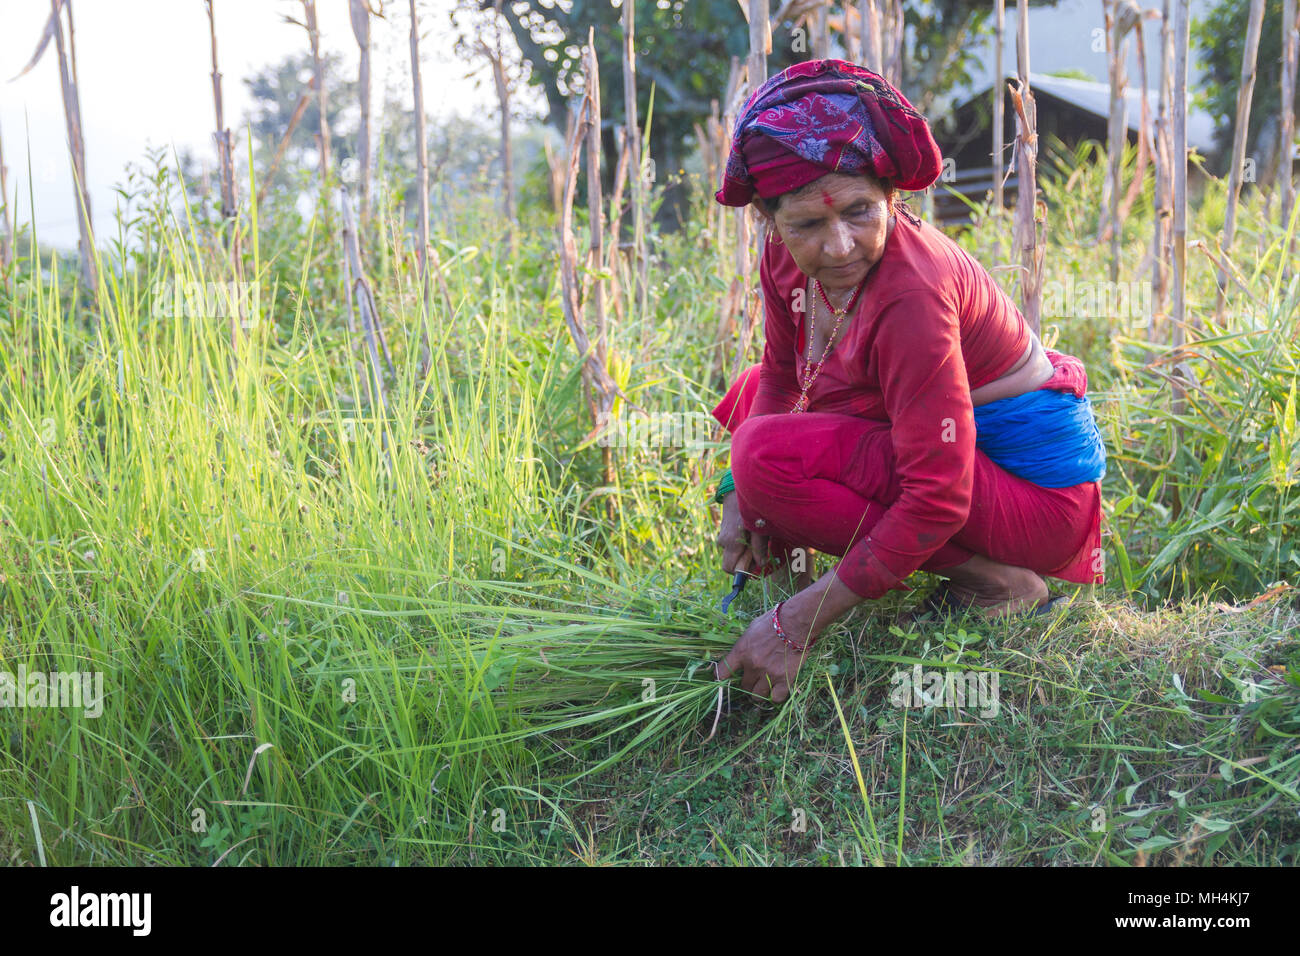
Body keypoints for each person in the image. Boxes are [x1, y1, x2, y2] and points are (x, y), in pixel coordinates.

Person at [709, 59, 1107, 704]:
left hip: (1032, 501)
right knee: (751, 395)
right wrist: (740, 499)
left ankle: (996, 581)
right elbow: (783, 375)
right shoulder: (782, 257)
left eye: (862, 211)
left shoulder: (911, 295)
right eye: (808, 224)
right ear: (766, 219)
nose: (839, 246)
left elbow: (939, 496)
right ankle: (801, 530)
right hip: (971, 462)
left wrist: (794, 625)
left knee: (766, 453)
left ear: (895, 197)